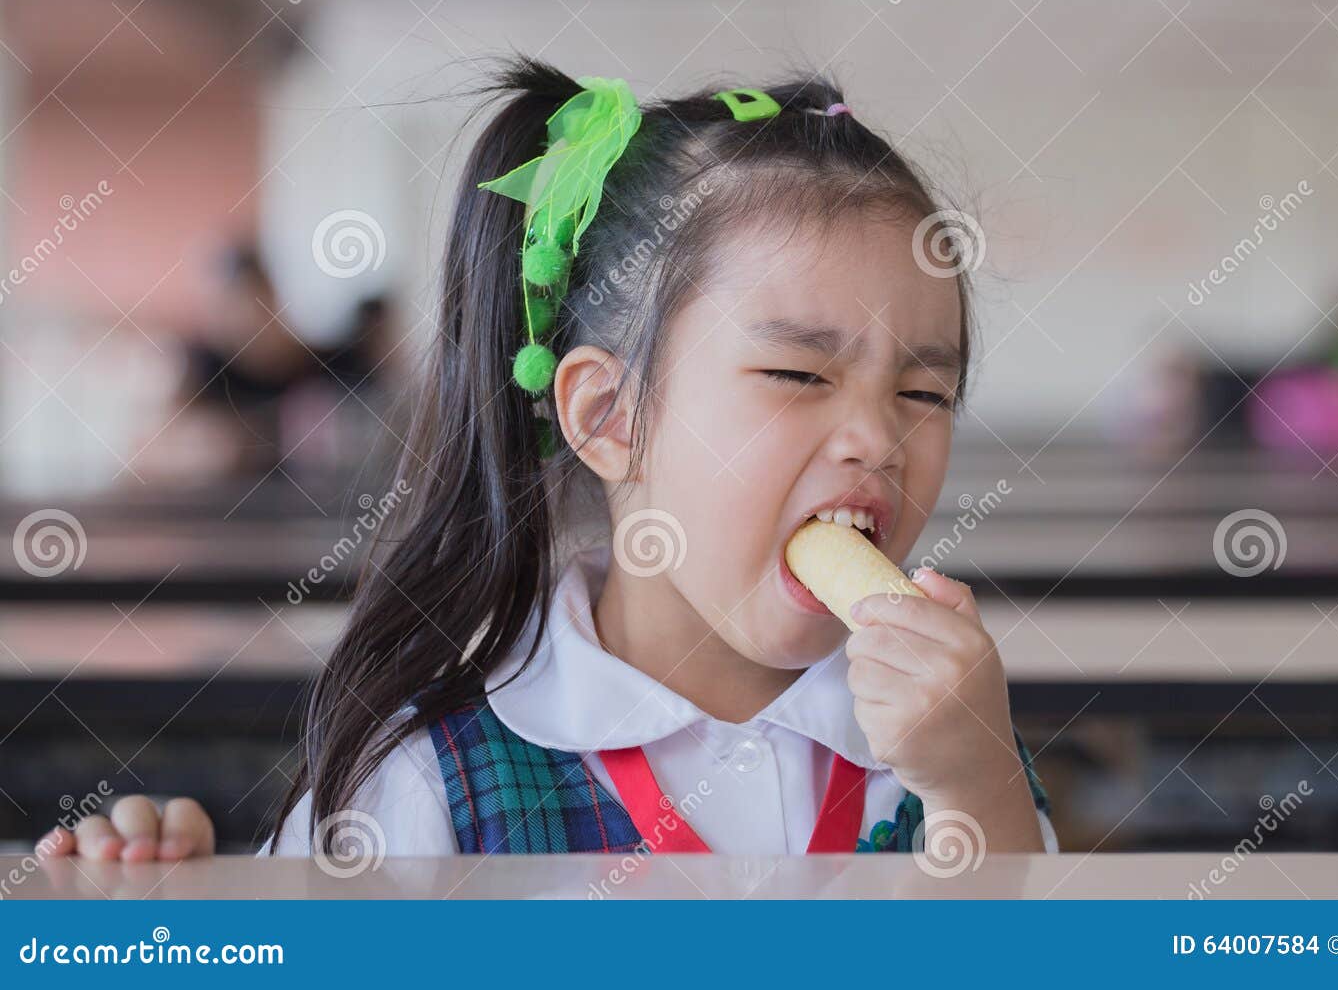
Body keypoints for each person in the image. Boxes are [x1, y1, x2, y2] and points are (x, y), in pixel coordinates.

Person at [36, 60, 1054, 861]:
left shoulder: (948, 745)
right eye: (797, 373)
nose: (878, 438)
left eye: (925, 392)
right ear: (609, 416)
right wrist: (194, 924)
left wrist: (979, 794)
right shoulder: (426, 780)